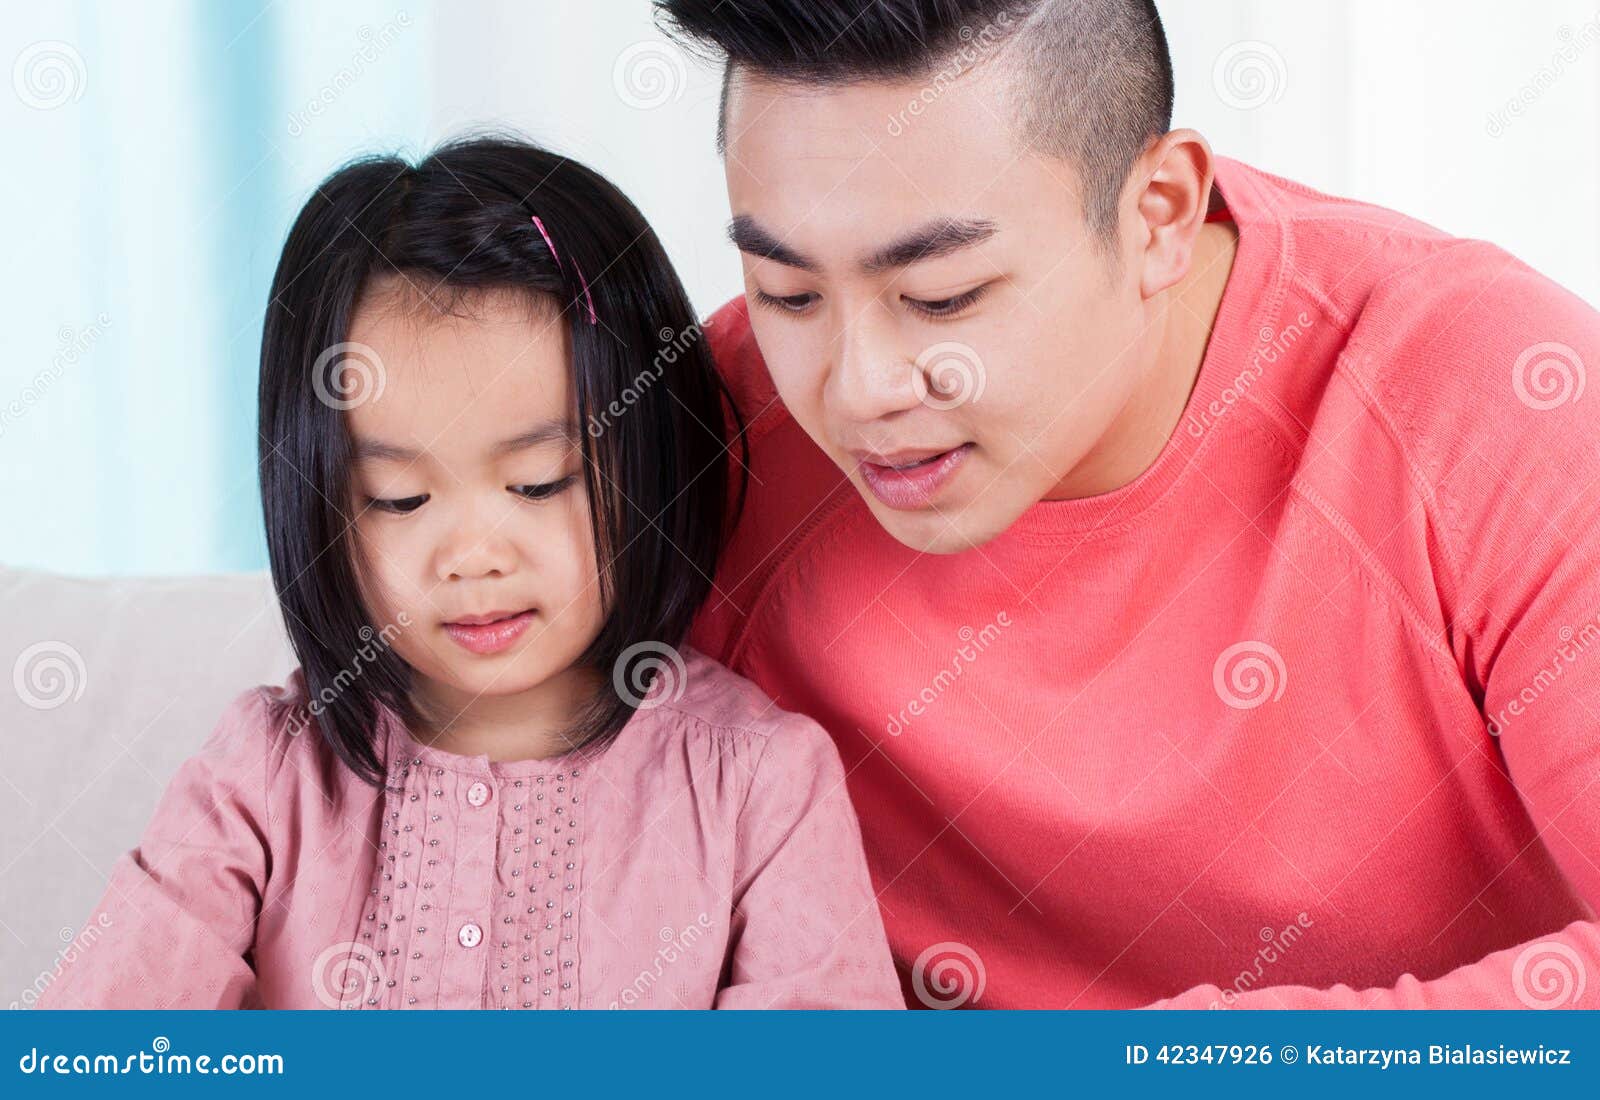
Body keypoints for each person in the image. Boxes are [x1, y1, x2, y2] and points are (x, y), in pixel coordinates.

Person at [659, 0, 1600, 1008]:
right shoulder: (697, 438)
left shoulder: (1492, 394)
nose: (856, 389)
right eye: (786, 291)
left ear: (1157, 214)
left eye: (940, 295)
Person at [37, 136, 901, 1010]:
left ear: (651, 457)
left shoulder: (758, 784)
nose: (474, 556)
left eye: (538, 483)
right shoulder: (265, 777)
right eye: (400, 499)